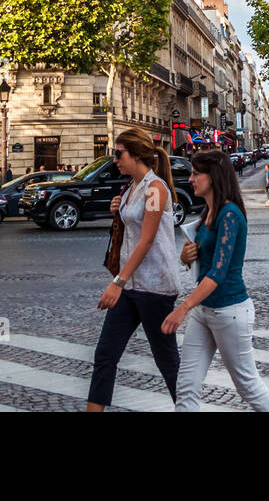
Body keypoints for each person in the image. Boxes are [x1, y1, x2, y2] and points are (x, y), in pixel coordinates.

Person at [163, 150, 269, 411]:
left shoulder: (230, 214)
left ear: (213, 177)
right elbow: (203, 264)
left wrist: (182, 308)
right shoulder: (208, 213)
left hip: (230, 311)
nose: (191, 178)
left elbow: (218, 273)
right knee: (186, 387)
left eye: (196, 173)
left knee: (248, 385)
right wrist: (186, 256)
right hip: (203, 311)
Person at [87, 128, 181, 411]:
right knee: (105, 355)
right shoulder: (132, 188)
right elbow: (133, 228)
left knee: (168, 363)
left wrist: (117, 281)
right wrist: (119, 209)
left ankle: (188, 407)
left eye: (118, 154)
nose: (115, 160)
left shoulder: (155, 188)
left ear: (136, 154)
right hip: (131, 288)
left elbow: (148, 238)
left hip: (154, 288)